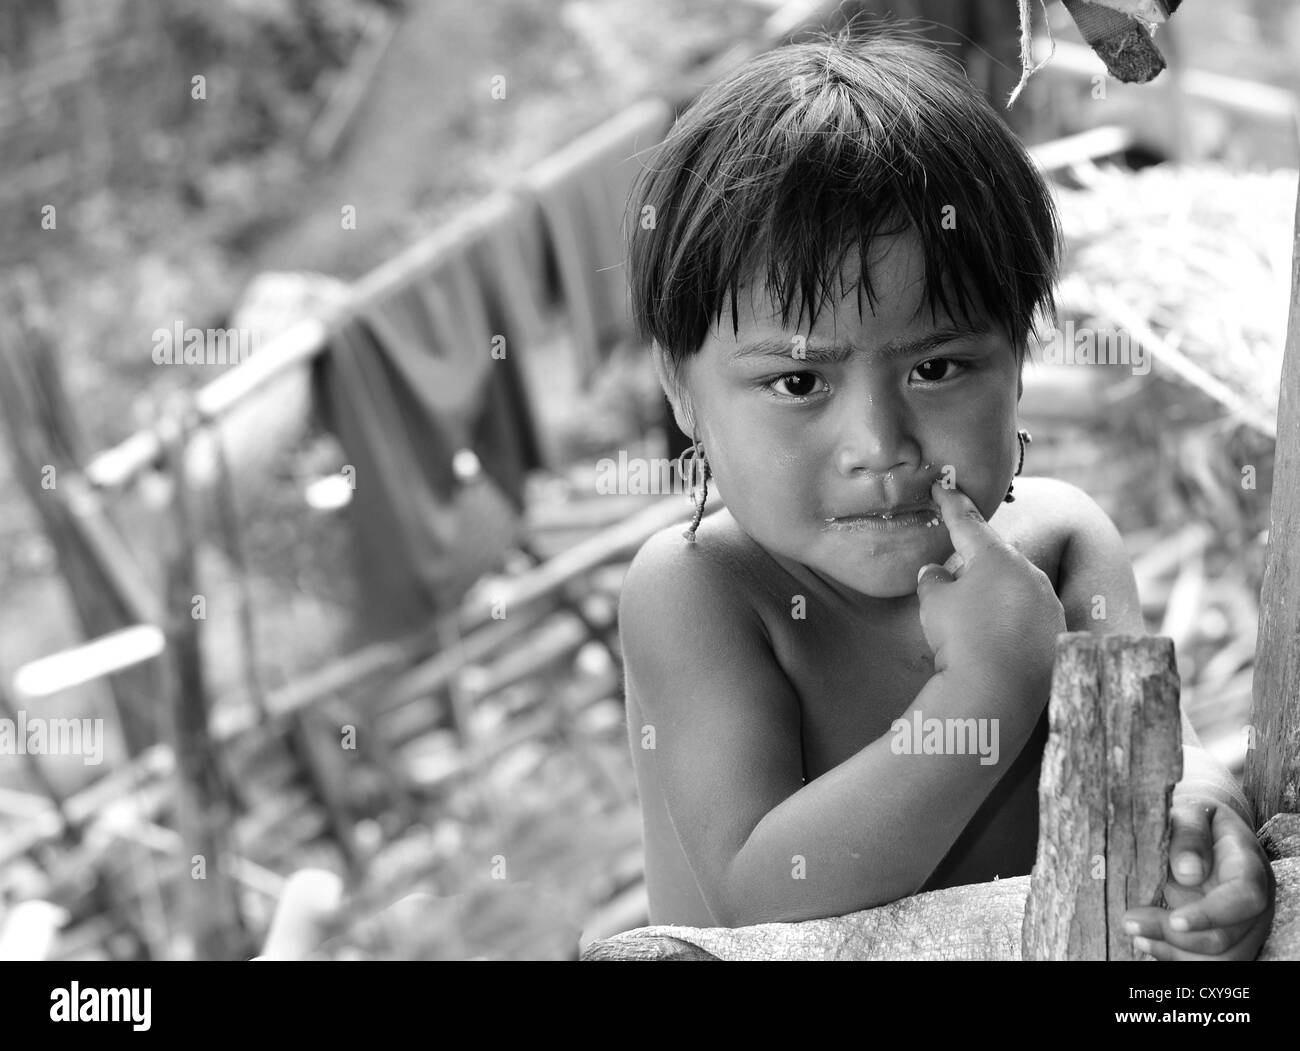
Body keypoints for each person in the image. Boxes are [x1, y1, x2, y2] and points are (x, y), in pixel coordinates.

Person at [617, 28, 1274, 960]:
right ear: (684, 393)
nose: (882, 446)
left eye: (938, 365)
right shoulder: (701, 591)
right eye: (800, 383)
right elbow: (761, 893)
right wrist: (987, 687)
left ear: (1017, 362)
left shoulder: (1063, 544)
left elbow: (1157, 761)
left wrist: (1207, 836)